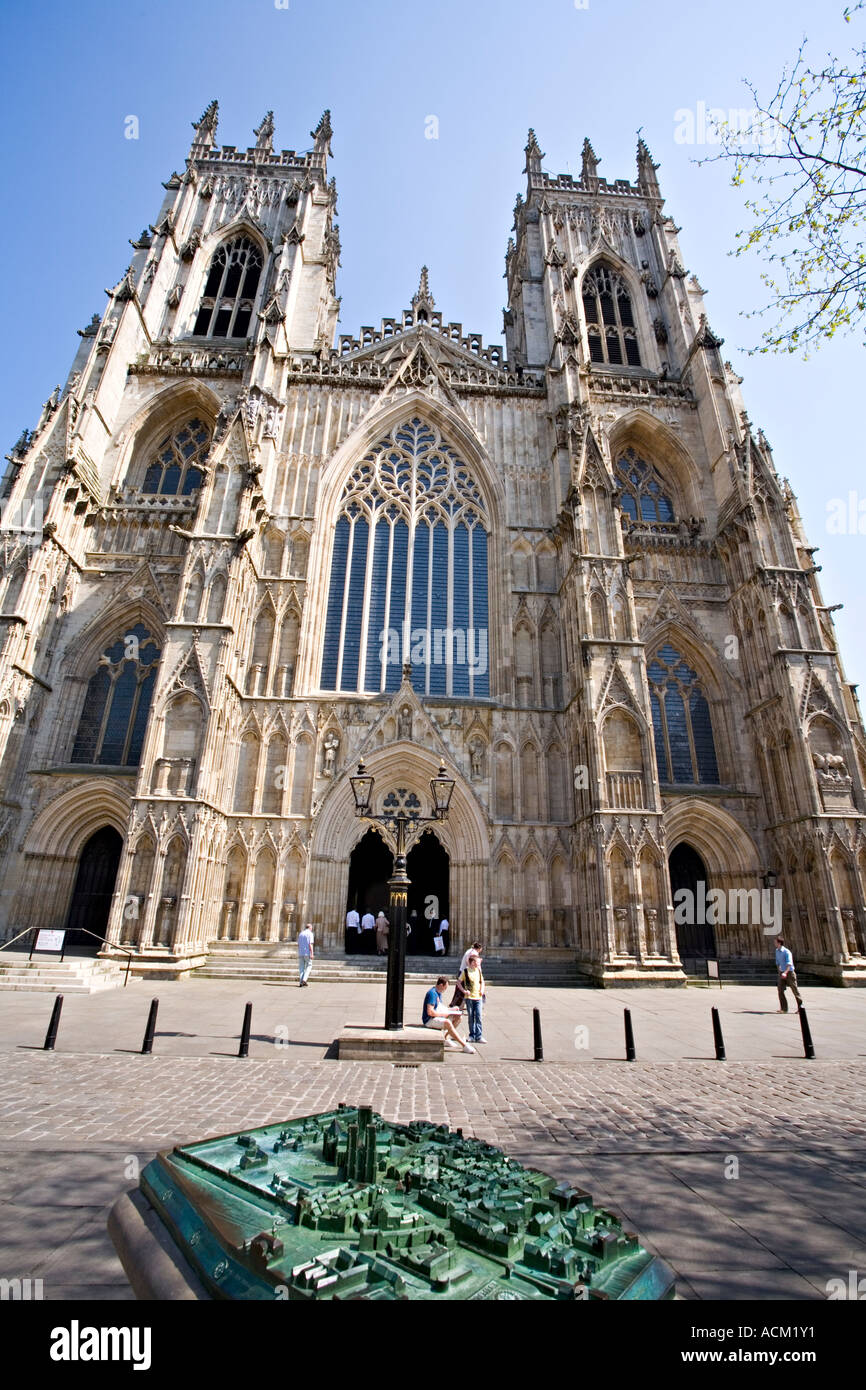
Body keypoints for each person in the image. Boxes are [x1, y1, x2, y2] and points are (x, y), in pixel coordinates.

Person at [422, 977, 475, 1053]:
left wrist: (452, 1010)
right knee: (447, 1022)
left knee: (458, 1017)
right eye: (445, 987)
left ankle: (445, 1038)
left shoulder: (438, 992)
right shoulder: (432, 994)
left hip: (436, 1016)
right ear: (441, 985)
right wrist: (445, 1014)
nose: (445, 990)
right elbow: (430, 1012)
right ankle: (464, 1045)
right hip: (429, 1020)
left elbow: (439, 1007)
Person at [460, 950, 486, 1043]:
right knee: (471, 1016)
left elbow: (482, 981)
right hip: (469, 998)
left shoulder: (478, 971)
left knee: (478, 1016)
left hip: (478, 997)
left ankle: (479, 1036)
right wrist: (464, 991)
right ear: (473, 962)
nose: (479, 964)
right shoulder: (465, 971)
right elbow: (458, 982)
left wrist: (482, 990)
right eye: (477, 962)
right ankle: (472, 1035)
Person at [775, 935, 803, 1013]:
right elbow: (777, 962)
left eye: (776, 942)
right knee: (780, 990)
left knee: (795, 990)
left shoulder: (787, 952)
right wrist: (779, 971)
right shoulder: (777, 951)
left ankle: (801, 1008)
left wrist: (785, 972)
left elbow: (789, 964)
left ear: (779, 943)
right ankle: (784, 1009)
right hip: (781, 973)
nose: (775, 943)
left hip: (789, 973)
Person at [297, 922, 314, 987]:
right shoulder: (310, 934)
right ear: (310, 928)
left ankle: (301, 981)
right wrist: (312, 953)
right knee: (309, 966)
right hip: (307, 953)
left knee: (301, 968)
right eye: (311, 927)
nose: (312, 929)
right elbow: (310, 944)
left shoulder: (301, 934)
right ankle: (304, 980)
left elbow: (298, 944)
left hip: (301, 953)